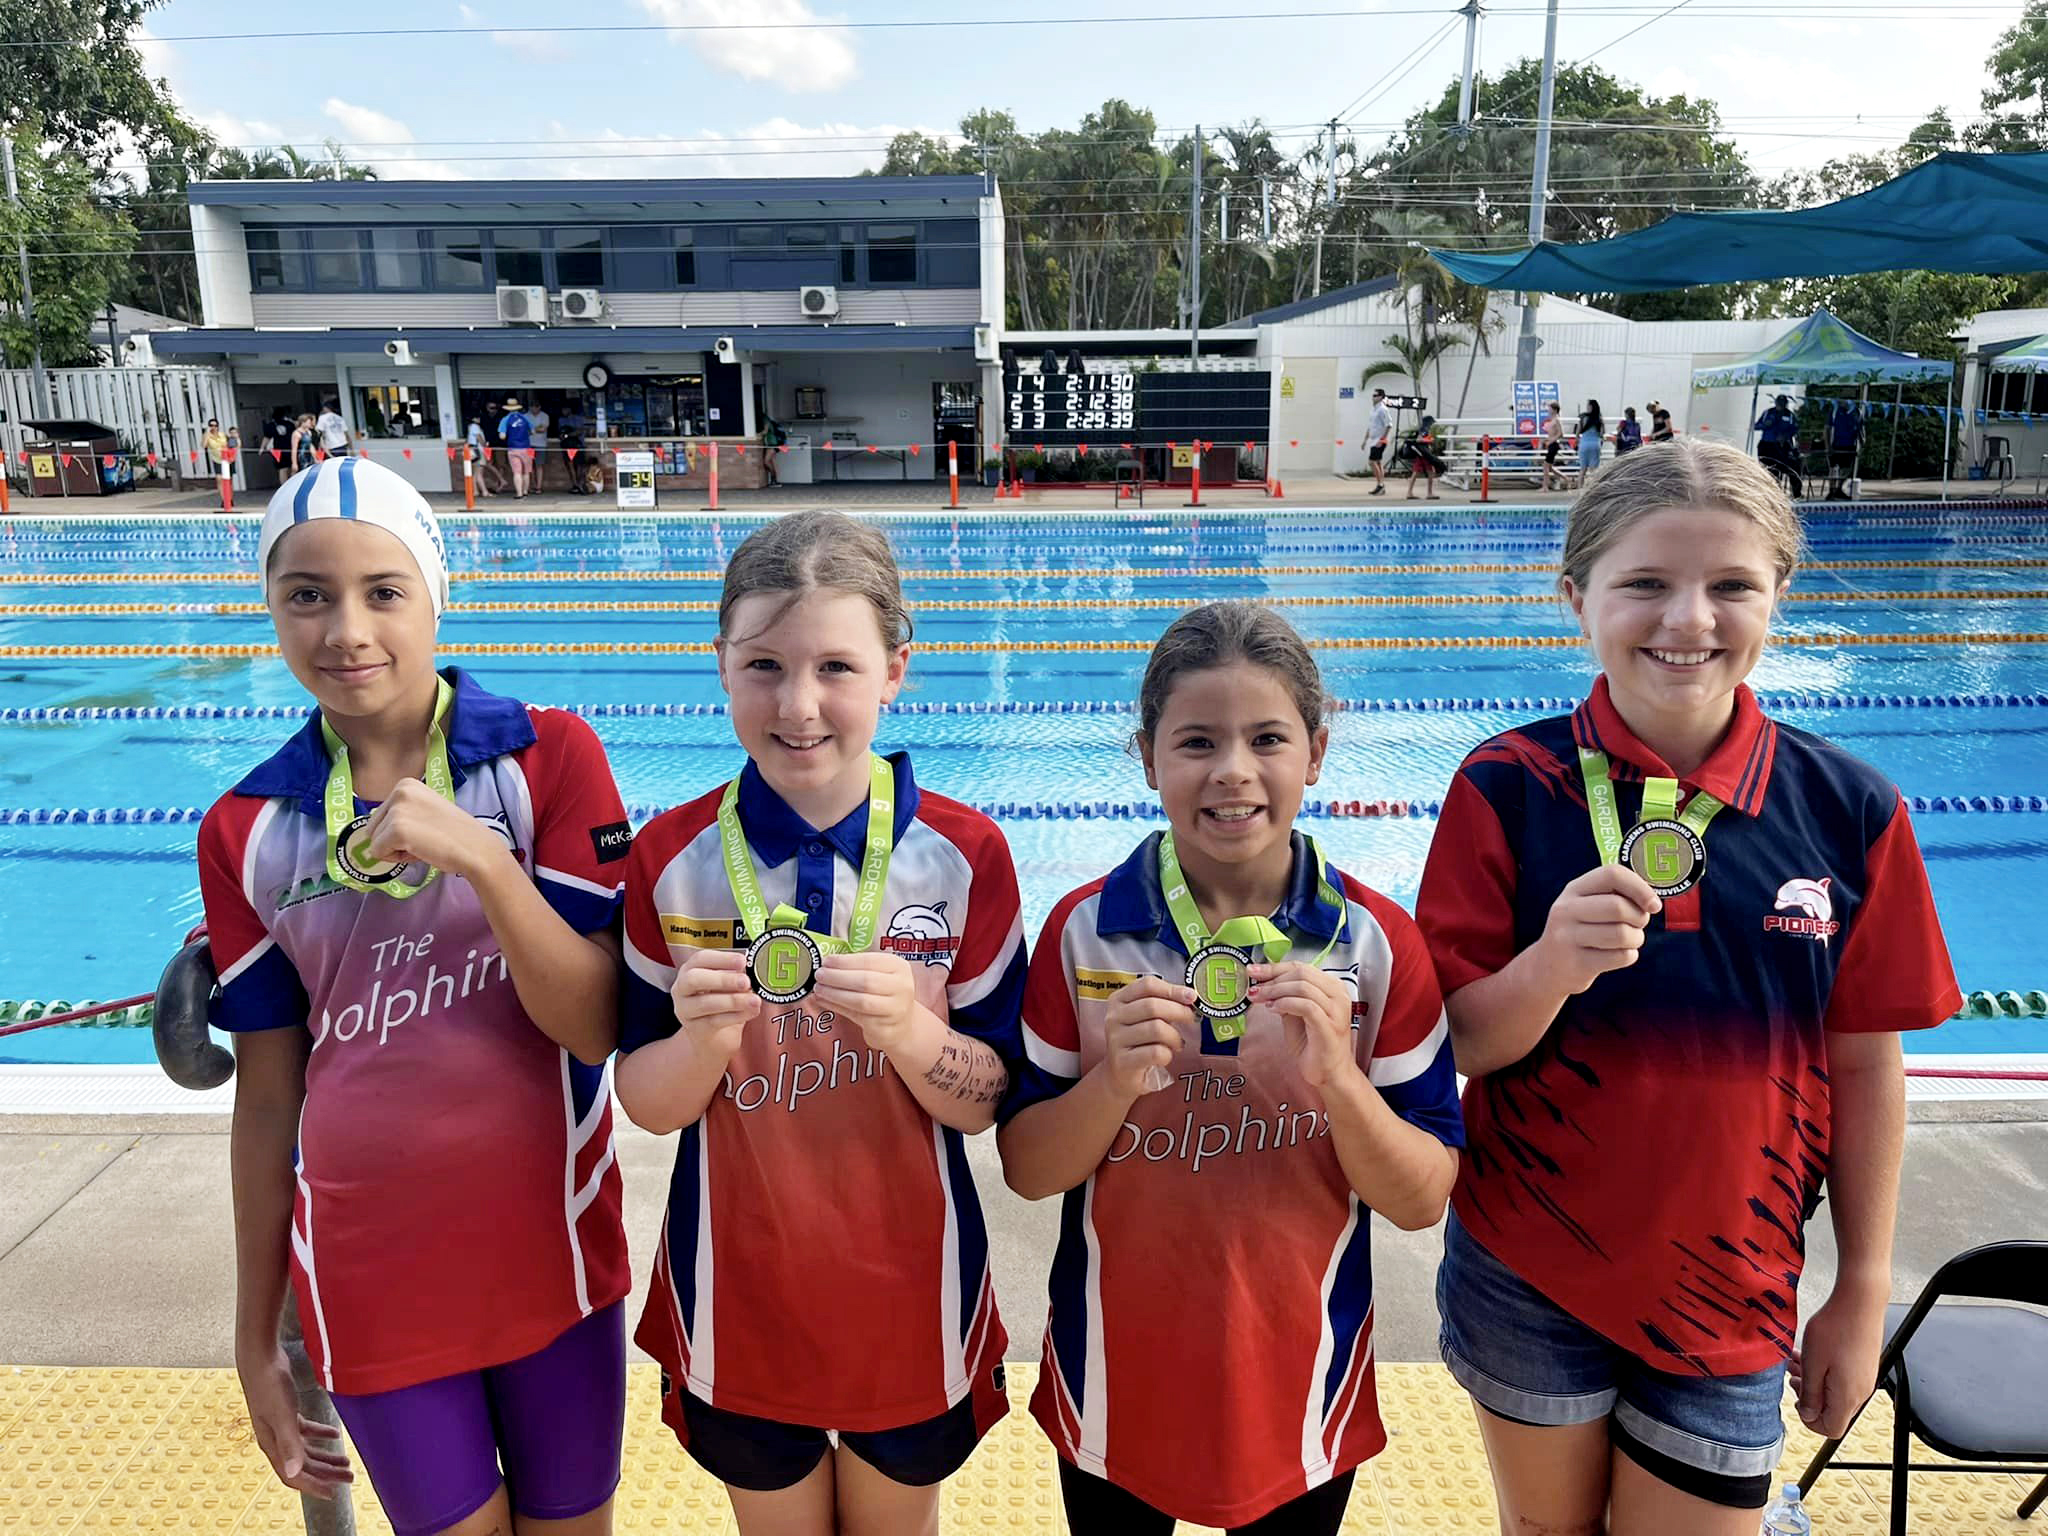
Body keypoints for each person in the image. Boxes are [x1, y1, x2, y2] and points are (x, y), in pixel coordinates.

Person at [1416, 438, 1959, 1536]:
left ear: (1777, 597)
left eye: (1729, 587)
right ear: (1576, 598)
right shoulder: (1504, 787)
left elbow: (1863, 1063)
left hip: (1739, 1278)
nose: (1686, 621)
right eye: (1645, 585)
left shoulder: (1848, 810)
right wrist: (1547, 967)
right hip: (1530, 1265)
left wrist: (1857, 1290)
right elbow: (1452, 1044)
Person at [197, 455, 634, 1536]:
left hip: (553, 1253)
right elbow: (267, 1101)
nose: (346, 630)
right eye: (307, 594)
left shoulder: (548, 760)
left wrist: (486, 864)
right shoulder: (244, 829)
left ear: (435, 595)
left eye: (382, 592)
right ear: (272, 609)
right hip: (367, 1273)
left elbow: (593, 1022)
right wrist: (256, 1334)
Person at [999, 601, 1463, 1535]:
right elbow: (1028, 1167)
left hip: (1302, 1385)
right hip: (1111, 1378)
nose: (1233, 773)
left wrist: (1338, 1080)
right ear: (1148, 757)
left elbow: (1422, 1199)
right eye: (1198, 741)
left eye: (1267, 739)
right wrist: (1112, 1085)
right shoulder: (1086, 932)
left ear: (1317, 753)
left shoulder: (1373, 945)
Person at [615, 511, 1024, 1535]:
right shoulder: (669, 861)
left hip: (909, 1295)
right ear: (720, 665)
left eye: (834, 667)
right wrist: (701, 1042)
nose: (797, 706)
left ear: (895, 670)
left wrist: (915, 1037)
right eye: (763, 666)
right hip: (739, 1297)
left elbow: (986, 1104)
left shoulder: (963, 856)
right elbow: (647, 1104)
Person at [1754, 393, 1803, 496]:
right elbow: (1756, 426)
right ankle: (1773, 494)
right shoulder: (1768, 413)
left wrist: (1786, 435)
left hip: (1782, 447)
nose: (1781, 406)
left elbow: (1795, 429)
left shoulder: (1789, 415)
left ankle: (1796, 493)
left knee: (1794, 468)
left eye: (1783, 403)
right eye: (1779, 403)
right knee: (1772, 471)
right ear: (1775, 403)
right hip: (1767, 446)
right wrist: (1765, 425)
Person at [1402, 413, 1447, 501]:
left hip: (1421, 453)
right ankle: (1429, 493)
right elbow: (1419, 439)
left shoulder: (1423, 429)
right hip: (1424, 454)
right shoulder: (1424, 429)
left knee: (1416, 473)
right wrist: (1429, 440)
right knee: (1431, 472)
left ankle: (1409, 492)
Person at [1826, 399, 1865, 500]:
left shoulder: (1857, 412)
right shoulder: (1834, 411)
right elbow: (1827, 429)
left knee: (1847, 469)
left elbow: (1861, 430)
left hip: (1850, 445)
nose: (1839, 402)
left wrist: (1861, 445)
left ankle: (1838, 489)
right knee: (1833, 469)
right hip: (1835, 445)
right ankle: (1832, 491)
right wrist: (1828, 446)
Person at [498, 398, 535, 499]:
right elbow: (533, 431)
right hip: (526, 447)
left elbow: (502, 436)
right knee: (526, 472)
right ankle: (525, 491)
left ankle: (519, 494)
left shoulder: (505, 419)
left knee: (517, 472)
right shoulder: (525, 418)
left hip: (513, 448)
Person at [1367, 388, 1393, 495]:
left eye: (1376, 395)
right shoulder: (1374, 410)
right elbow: (1371, 426)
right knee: (1377, 462)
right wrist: (1365, 440)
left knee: (1371, 462)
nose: (1373, 397)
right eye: (1373, 395)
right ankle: (1381, 485)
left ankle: (1380, 485)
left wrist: (1382, 439)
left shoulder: (1383, 409)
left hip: (1380, 440)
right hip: (1374, 440)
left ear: (1381, 397)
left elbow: (1389, 425)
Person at [465, 415, 498, 497]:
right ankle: (484, 491)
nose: (479, 419)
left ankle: (475, 491)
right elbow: (479, 438)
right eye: (477, 417)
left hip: (472, 451)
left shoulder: (470, 427)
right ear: (473, 418)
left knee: (475, 473)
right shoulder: (475, 427)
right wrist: (485, 446)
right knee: (479, 472)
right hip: (478, 451)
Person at [1576, 399, 1605, 479]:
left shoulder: (1583, 418)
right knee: (1594, 470)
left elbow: (1577, 433)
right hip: (1595, 444)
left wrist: (1577, 442)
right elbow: (1602, 434)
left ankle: (1580, 489)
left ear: (1589, 407)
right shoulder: (1599, 419)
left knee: (1583, 470)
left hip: (1584, 444)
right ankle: (1593, 488)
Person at [1541, 401, 1566, 492]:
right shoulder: (1552, 420)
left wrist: (1551, 441)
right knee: (1549, 467)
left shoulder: (1557, 420)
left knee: (1545, 465)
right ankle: (1566, 478)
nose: (1548, 410)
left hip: (1554, 445)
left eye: (1550, 408)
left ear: (1555, 410)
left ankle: (1545, 487)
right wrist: (1547, 440)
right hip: (1551, 444)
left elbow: (1561, 433)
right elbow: (1553, 433)